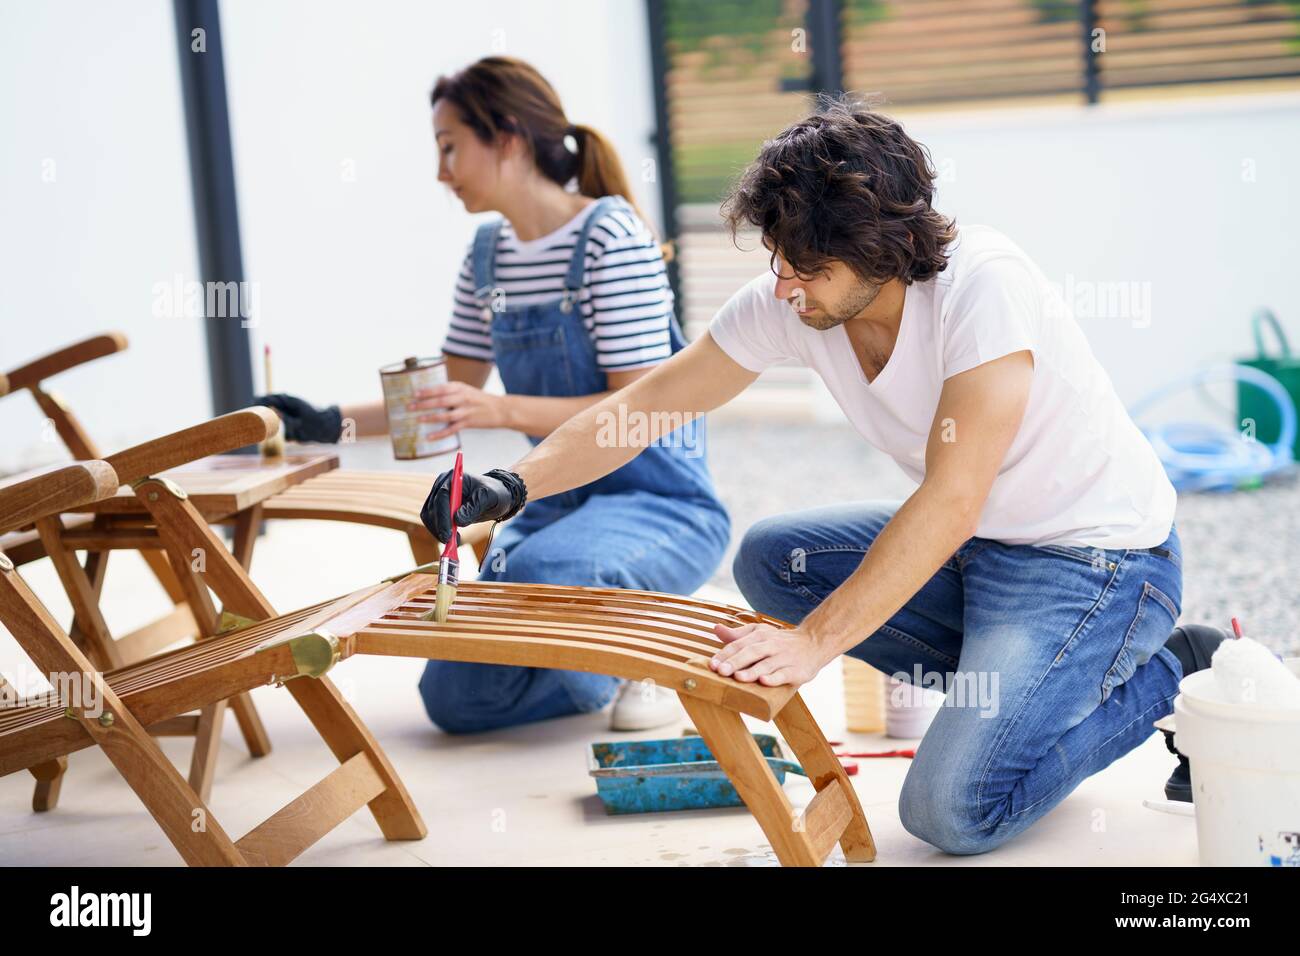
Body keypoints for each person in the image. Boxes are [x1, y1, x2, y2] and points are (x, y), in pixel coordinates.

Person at [420, 96, 1230, 855]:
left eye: (805, 265)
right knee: (771, 559)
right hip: (983, 550)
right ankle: (1024, 686)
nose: (782, 284)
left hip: (1096, 562)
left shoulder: (985, 287)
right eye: (778, 257)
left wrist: (815, 643)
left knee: (948, 808)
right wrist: (511, 485)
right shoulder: (796, 300)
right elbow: (650, 403)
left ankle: (1168, 672)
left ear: (884, 245)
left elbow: (950, 501)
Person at [257, 56, 730, 733]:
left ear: (506, 137)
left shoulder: (610, 239)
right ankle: (605, 648)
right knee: (456, 699)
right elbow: (447, 397)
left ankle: (646, 618)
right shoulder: (488, 257)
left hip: (659, 505)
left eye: (450, 146)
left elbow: (642, 411)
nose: (441, 171)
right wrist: (321, 422)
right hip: (550, 503)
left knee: (540, 564)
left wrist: (502, 411)